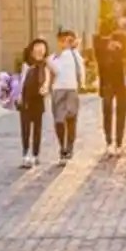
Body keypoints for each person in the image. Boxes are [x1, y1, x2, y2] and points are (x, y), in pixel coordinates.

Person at [48, 30, 85, 164]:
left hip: (72, 89)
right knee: (59, 120)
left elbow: (81, 70)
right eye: (63, 41)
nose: (66, 43)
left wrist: (82, 84)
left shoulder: (76, 55)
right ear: (59, 42)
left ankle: (69, 147)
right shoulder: (54, 57)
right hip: (58, 90)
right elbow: (55, 70)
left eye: (69, 40)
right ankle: (62, 147)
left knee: (71, 120)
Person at [94, 31, 126, 156]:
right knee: (109, 113)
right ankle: (110, 143)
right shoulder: (105, 53)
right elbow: (101, 69)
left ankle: (117, 143)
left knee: (119, 113)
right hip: (111, 85)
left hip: (120, 86)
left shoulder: (123, 52)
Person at [18, 39, 52, 168]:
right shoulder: (26, 65)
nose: (39, 51)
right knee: (25, 129)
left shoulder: (45, 65)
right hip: (26, 100)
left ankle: (36, 155)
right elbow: (21, 82)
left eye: (42, 49)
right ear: (32, 50)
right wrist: (19, 96)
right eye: (37, 48)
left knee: (37, 129)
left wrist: (45, 88)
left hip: (38, 101)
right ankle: (25, 154)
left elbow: (47, 80)